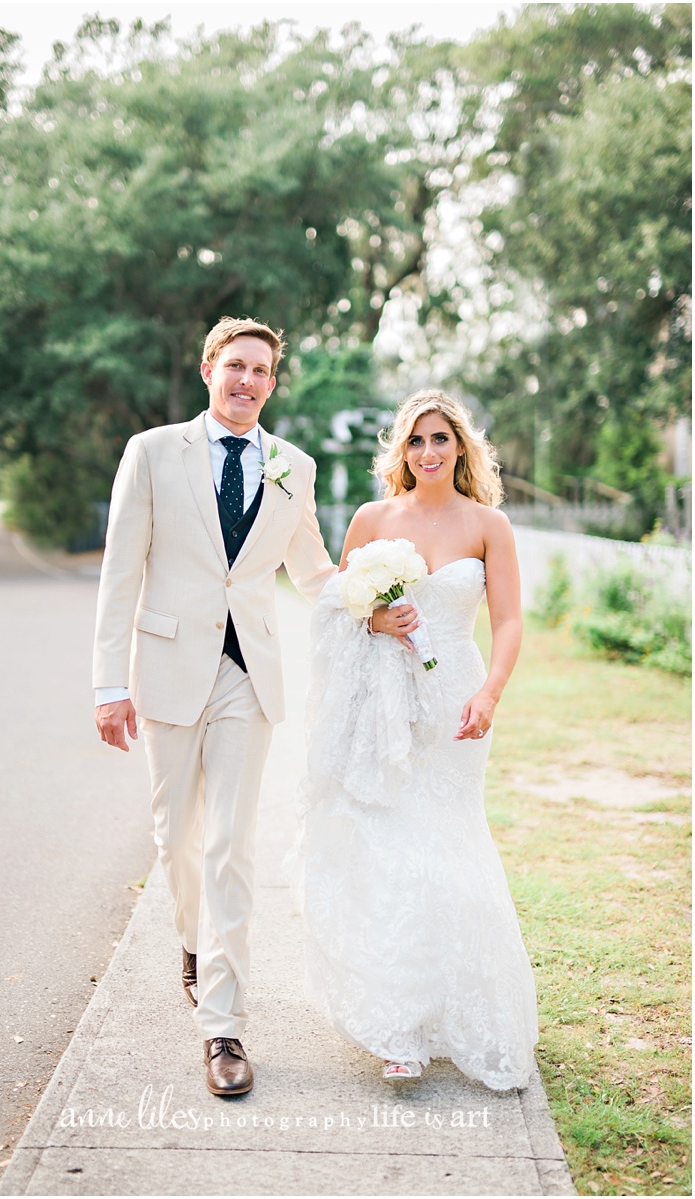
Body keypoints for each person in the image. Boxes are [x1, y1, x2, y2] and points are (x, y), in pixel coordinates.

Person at [93, 316, 335, 1097]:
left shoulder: (294, 467)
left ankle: (223, 1025)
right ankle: (193, 943)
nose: (248, 381)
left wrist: (378, 597)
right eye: (236, 365)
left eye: (262, 370)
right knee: (177, 838)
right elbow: (120, 570)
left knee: (232, 842)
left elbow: (313, 570)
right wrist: (108, 683)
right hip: (165, 665)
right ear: (208, 369)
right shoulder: (155, 452)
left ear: (272, 381)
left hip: (248, 673)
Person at [289, 388, 538, 1089]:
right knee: (387, 848)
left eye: (441, 439)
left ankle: (455, 1011)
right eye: (416, 440)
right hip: (381, 703)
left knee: (448, 845)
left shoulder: (489, 524)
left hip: (455, 700)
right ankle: (399, 1025)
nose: (429, 452)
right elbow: (336, 609)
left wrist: (489, 690)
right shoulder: (372, 518)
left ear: (461, 446)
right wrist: (371, 623)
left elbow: (511, 619)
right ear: (401, 451)